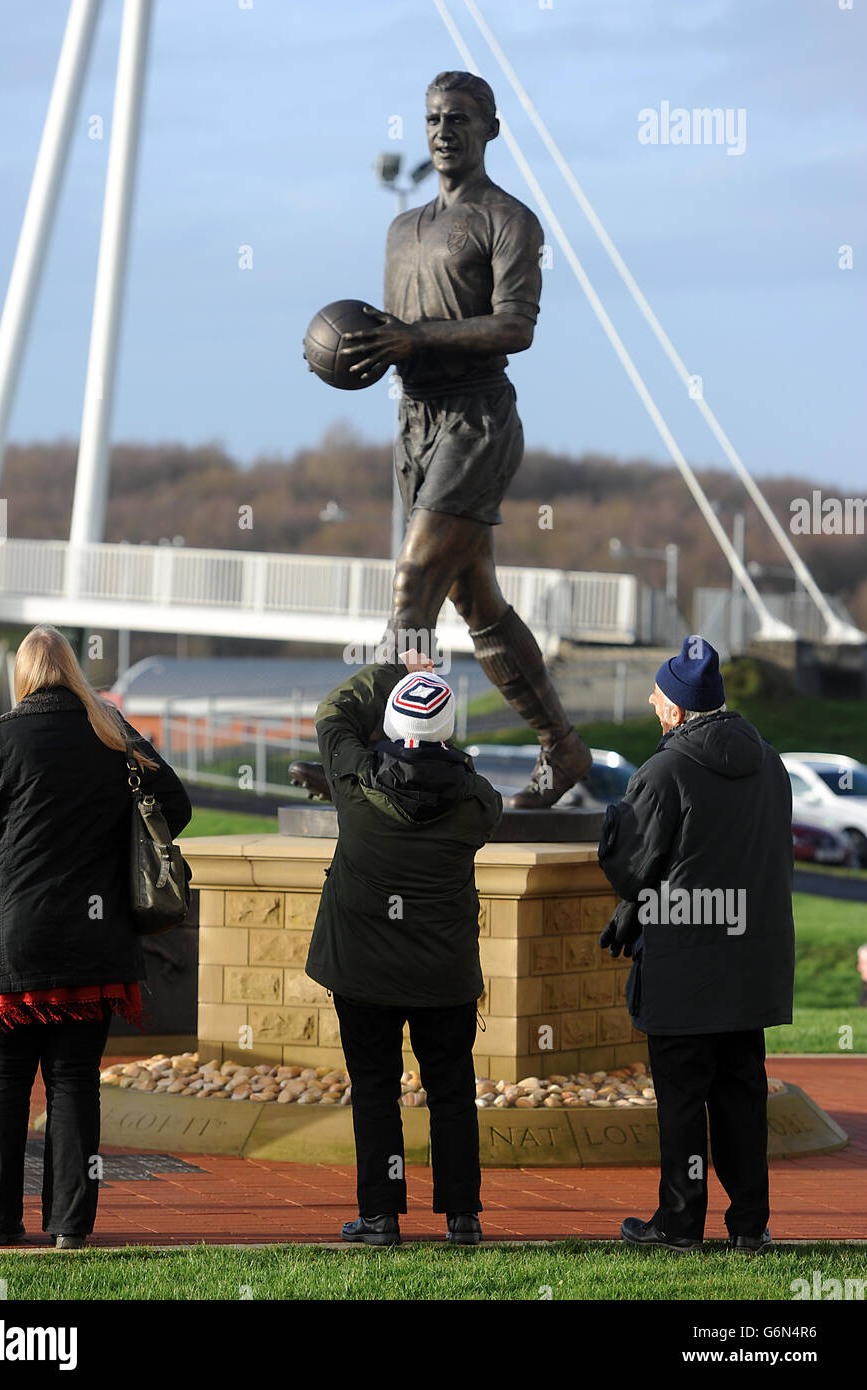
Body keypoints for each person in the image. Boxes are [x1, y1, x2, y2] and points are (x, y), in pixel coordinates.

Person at [290, 70, 590, 810]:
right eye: (432, 119)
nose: (443, 131)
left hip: (476, 417)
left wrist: (417, 335)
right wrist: (353, 352)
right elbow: (390, 336)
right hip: (412, 423)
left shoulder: (508, 220)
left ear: (489, 128)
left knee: (410, 584)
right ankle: (562, 745)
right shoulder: (401, 228)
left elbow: (516, 326)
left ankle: (364, 762)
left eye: (458, 119)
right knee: (477, 603)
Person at [0, 624, 191, 1248]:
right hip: (94, 940)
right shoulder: (112, 733)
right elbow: (174, 807)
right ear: (74, 670)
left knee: (3, 1079)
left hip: (10, 941)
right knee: (75, 1081)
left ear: (20, 675)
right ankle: (70, 1226)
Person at [598, 635, 794, 1254]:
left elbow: (630, 867)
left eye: (658, 698)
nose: (655, 707)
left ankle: (680, 1225)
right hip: (751, 963)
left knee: (683, 1101)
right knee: (742, 1097)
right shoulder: (770, 761)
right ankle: (749, 1226)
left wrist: (617, 835)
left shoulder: (664, 770)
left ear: (678, 710)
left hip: (684, 968)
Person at [305, 649, 503, 1245]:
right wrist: (427, 695)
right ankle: (462, 1216)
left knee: (374, 1089)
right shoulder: (477, 802)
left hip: (362, 972)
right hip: (444, 974)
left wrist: (396, 672)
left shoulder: (354, 785)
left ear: (392, 724)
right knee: (451, 1090)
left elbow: (333, 713)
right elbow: (467, 782)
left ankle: (381, 1216)